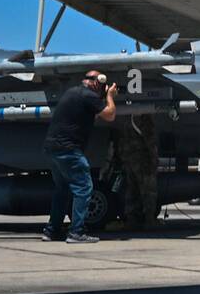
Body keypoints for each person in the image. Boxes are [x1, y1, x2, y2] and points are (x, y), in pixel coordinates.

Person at [42, 70, 116, 243]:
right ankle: (77, 232)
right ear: (97, 82)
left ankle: (51, 231)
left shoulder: (73, 92)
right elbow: (110, 115)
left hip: (52, 148)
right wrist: (110, 96)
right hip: (69, 150)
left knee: (62, 190)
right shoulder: (88, 95)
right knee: (84, 188)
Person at [115, 113, 159, 228]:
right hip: (142, 159)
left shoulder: (125, 116)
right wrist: (154, 159)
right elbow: (150, 139)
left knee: (131, 189)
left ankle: (131, 219)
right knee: (148, 190)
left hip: (128, 158)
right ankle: (149, 220)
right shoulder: (144, 116)